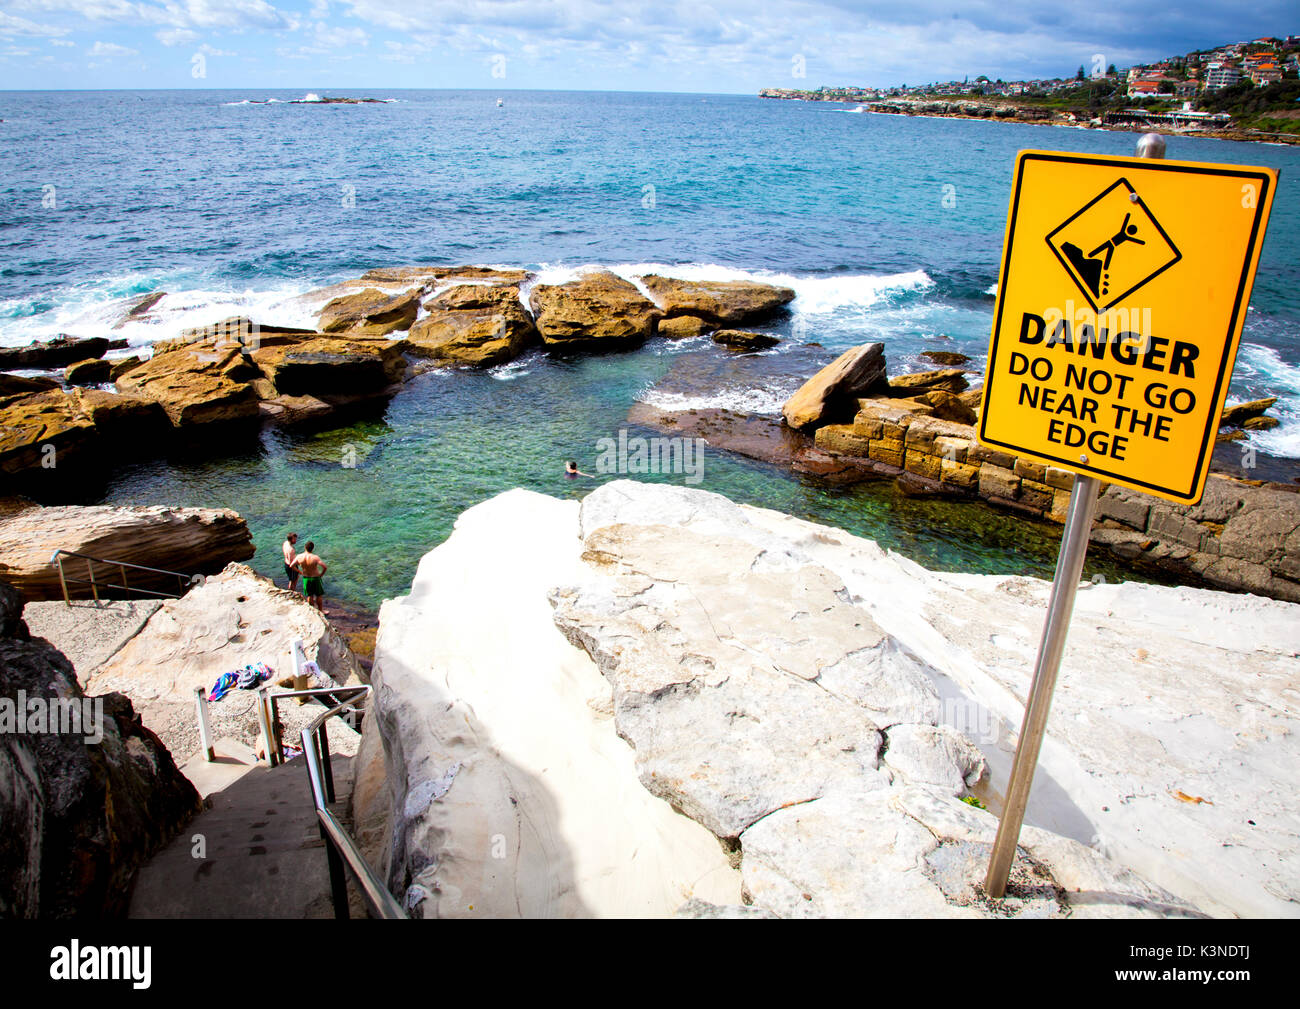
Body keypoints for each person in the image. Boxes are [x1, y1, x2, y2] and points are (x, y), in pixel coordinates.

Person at [294, 541, 328, 612]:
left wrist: (300, 572)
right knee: (318, 595)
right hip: (315, 577)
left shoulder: (299, 556)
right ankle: (321, 611)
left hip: (306, 577)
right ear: (312, 549)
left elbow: (291, 565)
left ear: (305, 547)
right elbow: (325, 567)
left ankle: (312, 611)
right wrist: (321, 575)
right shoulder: (315, 557)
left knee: (310, 595)